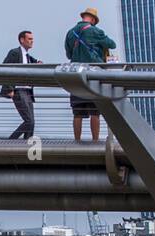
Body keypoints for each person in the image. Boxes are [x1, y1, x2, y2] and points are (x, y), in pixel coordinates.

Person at [64, 7, 116, 141]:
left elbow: (69, 54)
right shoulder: (95, 31)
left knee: (77, 113)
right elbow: (112, 44)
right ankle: (95, 141)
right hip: (92, 75)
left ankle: (77, 141)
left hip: (75, 75)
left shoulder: (70, 33)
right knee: (95, 112)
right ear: (93, 19)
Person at [0, 30, 42, 140]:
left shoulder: (28, 57)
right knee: (29, 121)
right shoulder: (15, 53)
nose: (32, 41)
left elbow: (30, 65)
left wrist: (38, 64)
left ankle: (26, 145)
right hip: (19, 90)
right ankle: (11, 141)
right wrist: (9, 88)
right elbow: (5, 69)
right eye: (29, 39)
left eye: (32, 39)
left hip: (28, 91)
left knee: (32, 122)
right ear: (22, 40)